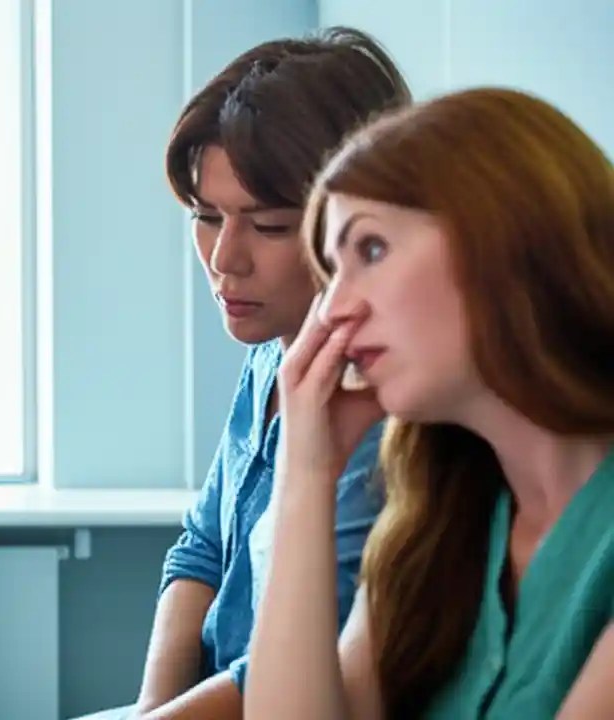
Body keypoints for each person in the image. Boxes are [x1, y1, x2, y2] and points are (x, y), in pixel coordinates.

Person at [245, 87, 614, 719]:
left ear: (508, 236)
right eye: (331, 271)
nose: (333, 308)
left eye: (372, 249)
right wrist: (307, 470)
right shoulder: (434, 528)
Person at [75, 28, 411, 720]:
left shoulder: (385, 415)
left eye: (270, 226)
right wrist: (147, 710)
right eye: (205, 217)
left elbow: (304, 675)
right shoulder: (269, 353)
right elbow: (200, 550)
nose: (224, 260)